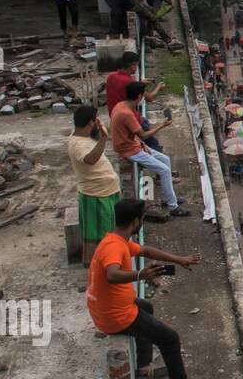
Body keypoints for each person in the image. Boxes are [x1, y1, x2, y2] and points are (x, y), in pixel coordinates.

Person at [86, 198, 206, 379]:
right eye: (142, 218)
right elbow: (112, 275)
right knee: (170, 338)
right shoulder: (114, 248)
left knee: (146, 306)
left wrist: (179, 259)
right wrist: (140, 275)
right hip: (116, 317)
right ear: (135, 222)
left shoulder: (117, 240)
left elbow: (146, 250)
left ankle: (143, 365)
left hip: (111, 307)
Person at [111, 81, 189, 217]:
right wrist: (163, 125)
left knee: (165, 160)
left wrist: (142, 144)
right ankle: (173, 207)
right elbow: (143, 134)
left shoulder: (120, 106)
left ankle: (167, 198)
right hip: (129, 150)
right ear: (140, 96)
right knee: (164, 170)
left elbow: (133, 134)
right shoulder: (127, 114)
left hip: (134, 144)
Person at [68, 106, 122, 266]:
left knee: (109, 232)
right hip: (96, 196)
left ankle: (108, 264)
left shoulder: (85, 137)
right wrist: (104, 137)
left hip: (106, 191)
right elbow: (90, 159)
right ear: (91, 122)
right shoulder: (77, 144)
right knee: (101, 235)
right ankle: (100, 268)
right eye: (97, 119)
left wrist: (99, 133)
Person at [105, 51, 164, 151]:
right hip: (127, 116)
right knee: (146, 131)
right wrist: (158, 87)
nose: (136, 68)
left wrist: (139, 83)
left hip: (115, 114)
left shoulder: (111, 76)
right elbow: (149, 98)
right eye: (136, 65)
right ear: (133, 66)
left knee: (145, 121)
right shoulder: (129, 81)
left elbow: (123, 87)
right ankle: (156, 153)